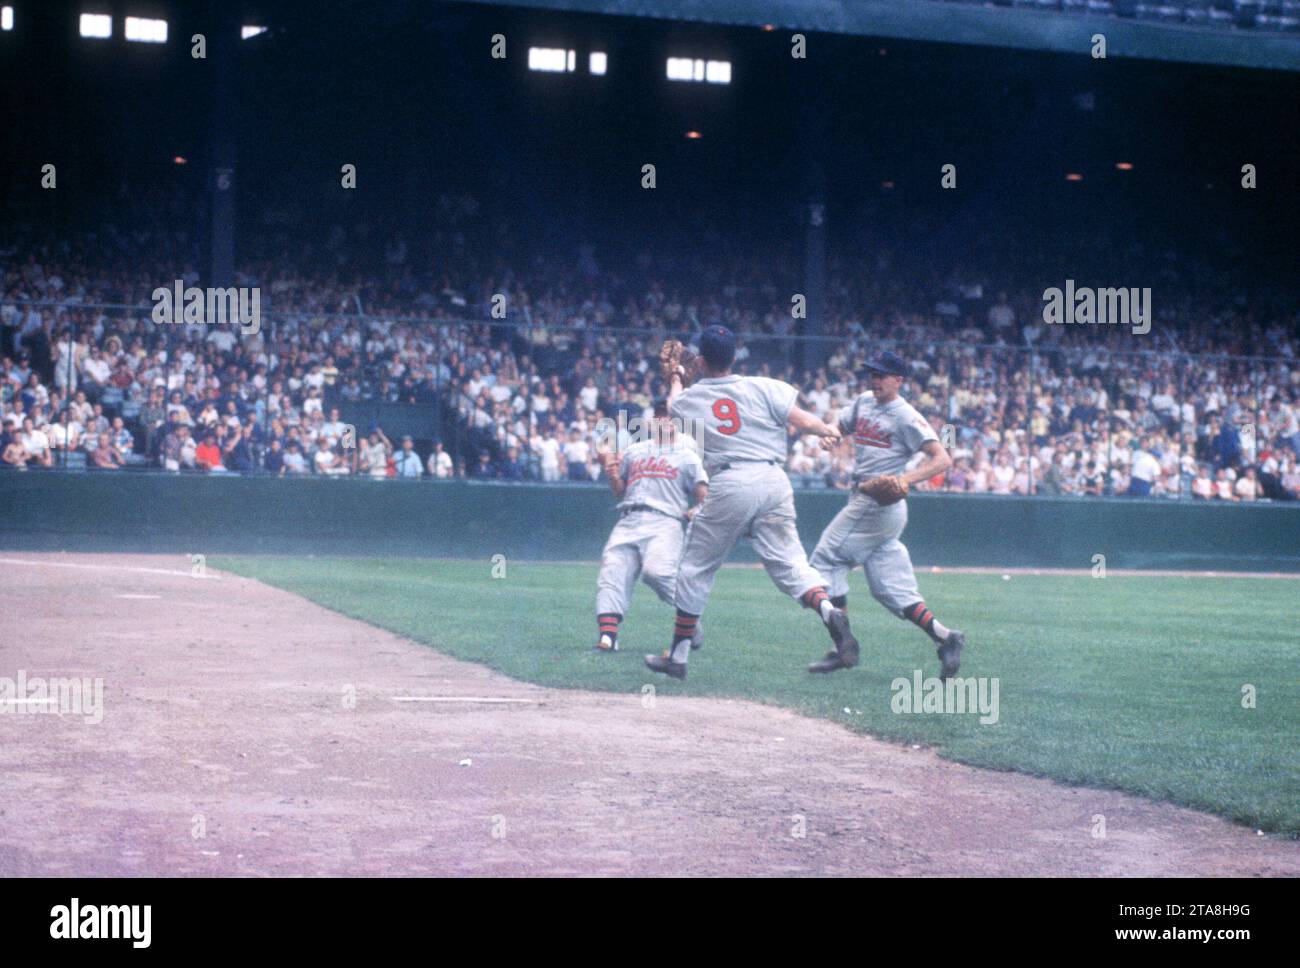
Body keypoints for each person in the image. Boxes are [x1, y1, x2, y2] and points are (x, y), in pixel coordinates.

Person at [644, 325, 857, 681]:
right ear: (734, 355)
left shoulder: (690, 398)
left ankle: (678, 658)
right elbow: (801, 420)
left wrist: (678, 376)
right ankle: (827, 609)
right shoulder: (763, 385)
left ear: (700, 358)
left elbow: (673, 405)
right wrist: (829, 432)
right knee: (791, 562)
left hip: (731, 481)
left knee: (696, 569)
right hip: (774, 480)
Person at [807, 352, 966, 677]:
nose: (875, 380)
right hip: (872, 505)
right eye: (872, 373)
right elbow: (840, 426)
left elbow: (941, 459)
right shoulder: (864, 401)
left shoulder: (906, 415)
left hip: (876, 502)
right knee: (889, 588)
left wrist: (904, 480)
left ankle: (844, 646)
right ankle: (946, 638)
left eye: (882, 375)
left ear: (899, 380)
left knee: (824, 561)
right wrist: (831, 434)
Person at [593, 399, 707, 653]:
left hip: (665, 521)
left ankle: (692, 622)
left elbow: (704, 495)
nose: (664, 420)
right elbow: (619, 491)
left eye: (669, 416)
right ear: (651, 421)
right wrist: (612, 476)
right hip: (629, 517)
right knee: (612, 572)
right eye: (659, 416)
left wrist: (697, 509)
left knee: (657, 573)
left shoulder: (687, 456)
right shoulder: (634, 451)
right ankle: (608, 637)